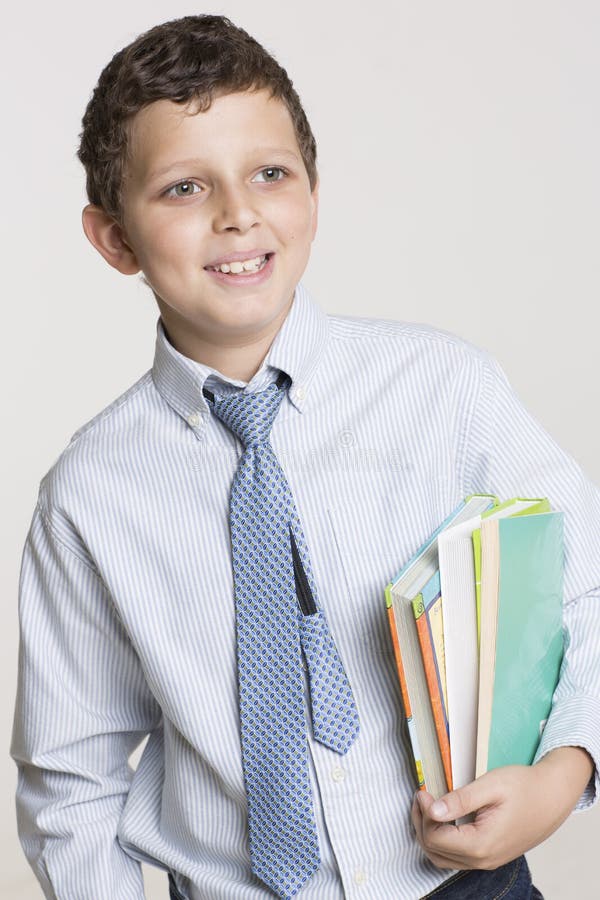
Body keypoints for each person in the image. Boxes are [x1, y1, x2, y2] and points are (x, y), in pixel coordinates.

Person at [10, 13, 600, 900]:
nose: (238, 213)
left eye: (270, 174)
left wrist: (563, 776)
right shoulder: (90, 494)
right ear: (114, 240)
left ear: (313, 195)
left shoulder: (443, 389)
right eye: (183, 189)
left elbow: (584, 590)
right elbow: (73, 776)